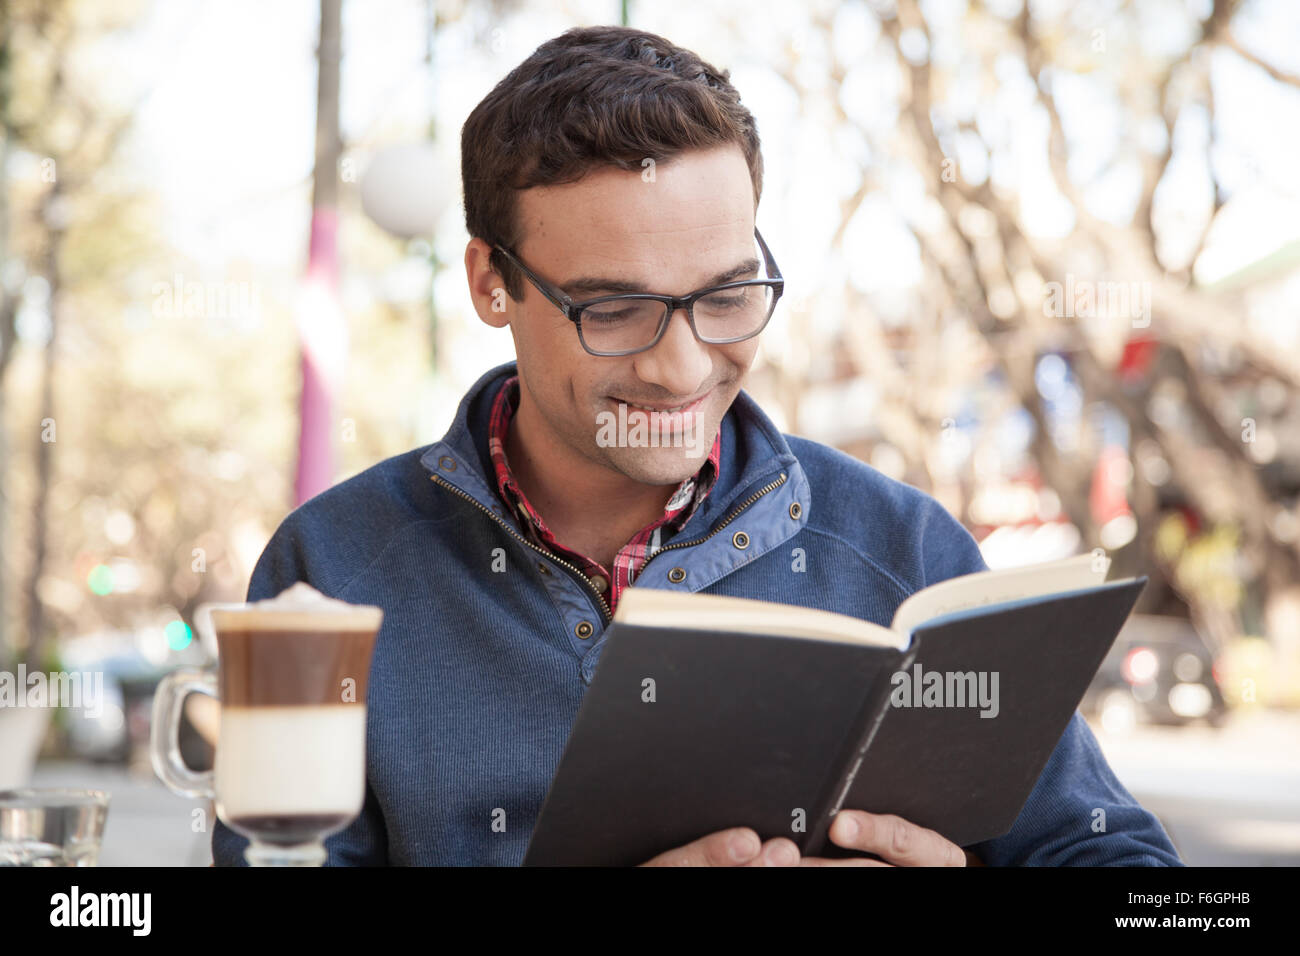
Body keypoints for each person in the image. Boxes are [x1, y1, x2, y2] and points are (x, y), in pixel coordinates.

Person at [212, 25, 1182, 867]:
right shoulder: (330, 569)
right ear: (490, 281)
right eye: (615, 308)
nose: (681, 369)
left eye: (726, 295)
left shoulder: (905, 551)